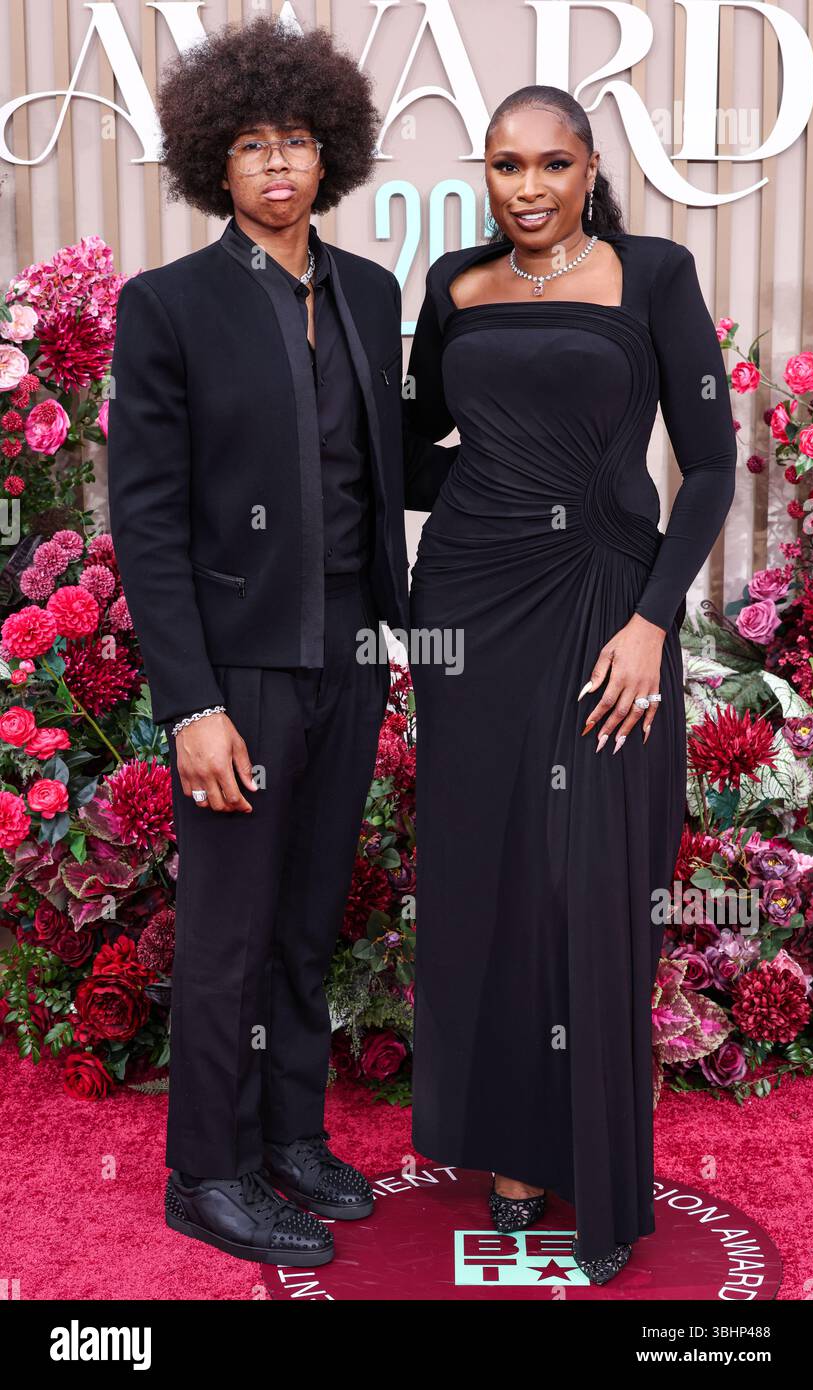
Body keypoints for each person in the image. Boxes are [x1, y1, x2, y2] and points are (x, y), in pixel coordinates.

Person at [403, 85, 737, 1285]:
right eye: (504, 165)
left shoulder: (652, 274)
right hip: (468, 614)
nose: (528, 187)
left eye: (551, 163)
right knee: (484, 869)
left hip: (607, 611)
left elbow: (708, 470)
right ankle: (506, 1151)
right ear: (483, 176)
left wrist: (652, 620)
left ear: (589, 166)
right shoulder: (450, 284)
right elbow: (420, 447)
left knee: (590, 880)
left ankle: (594, 1175)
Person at [107, 16, 417, 1267]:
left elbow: (392, 465)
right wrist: (191, 704)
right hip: (235, 670)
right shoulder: (167, 307)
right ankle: (204, 1173)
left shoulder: (374, 293)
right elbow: (144, 518)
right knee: (229, 932)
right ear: (213, 166)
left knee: (305, 922)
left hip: (352, 655)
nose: (277, 164)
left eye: (295, 140)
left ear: (327, 152)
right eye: (251, 145)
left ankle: (291, 1137)